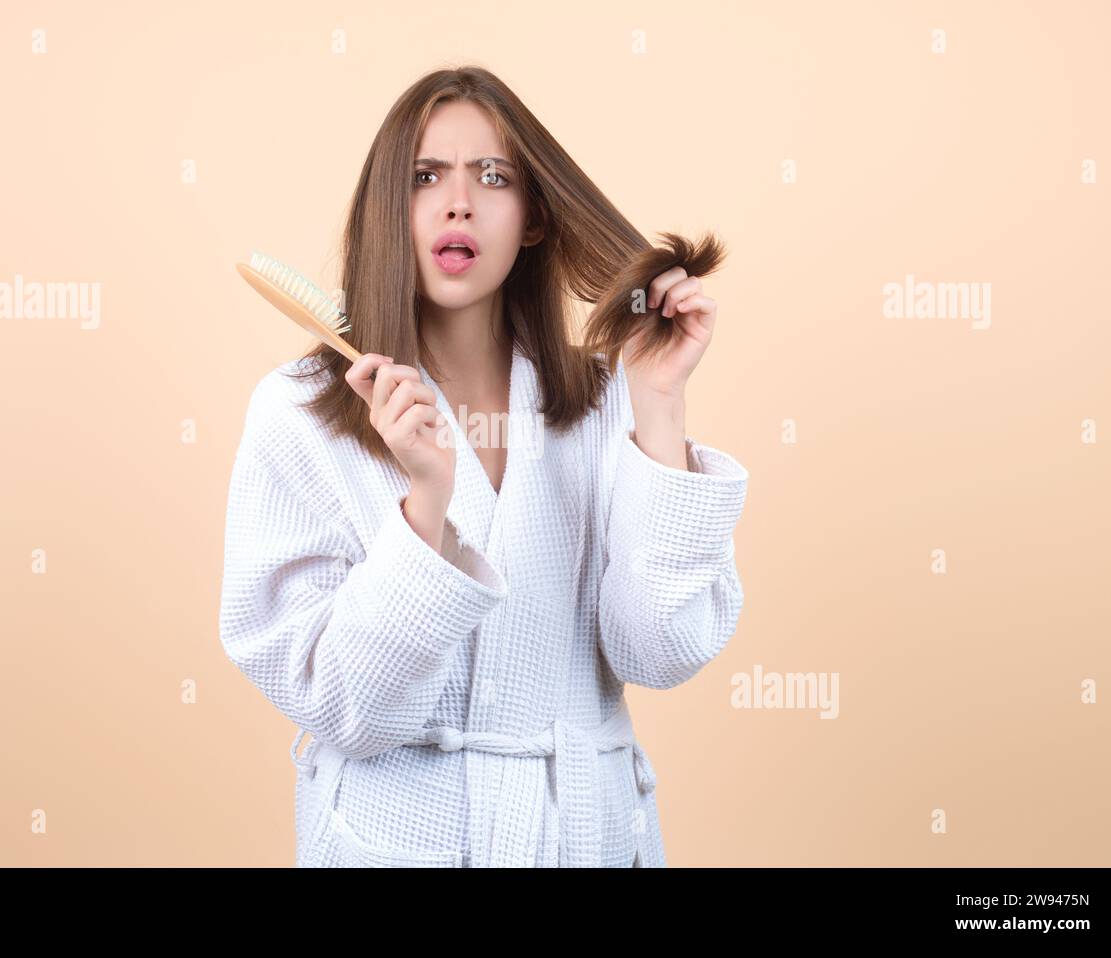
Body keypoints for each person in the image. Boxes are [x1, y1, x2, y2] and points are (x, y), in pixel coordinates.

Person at [219, 65, 749, 867]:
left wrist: (660, 401)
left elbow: (659, 651)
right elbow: (345, 707)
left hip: (587, 837)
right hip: (393, 841)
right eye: (425, 176)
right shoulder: (299, 413)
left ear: (534, 218)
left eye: (492, 177)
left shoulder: (609, 400)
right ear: (385, 213)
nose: (457, 201)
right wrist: (426, 503)